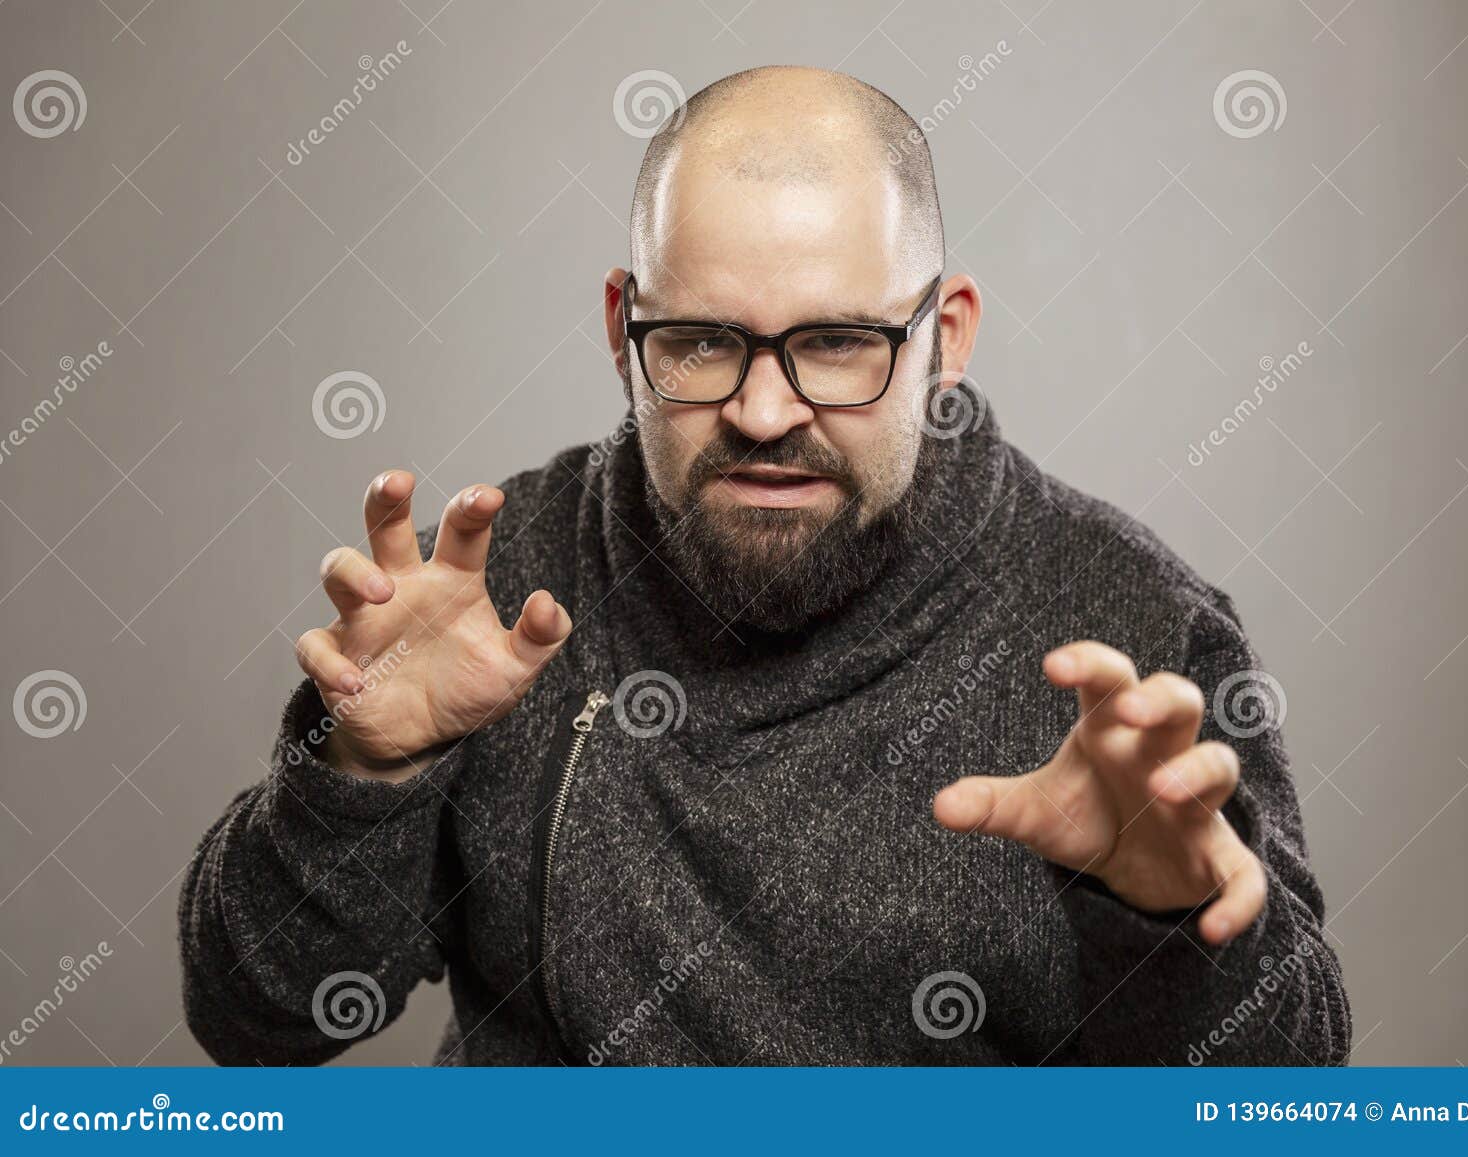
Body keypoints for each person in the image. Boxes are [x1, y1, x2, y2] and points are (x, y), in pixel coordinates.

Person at [180, 65, 1349, 1065]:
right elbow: (257, 1020)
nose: (762, 408)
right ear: (620, 328)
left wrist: (1169, 919)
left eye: (836, 343)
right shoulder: (501, 583)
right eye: (701, 340)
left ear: (945, 335)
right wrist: (363, 772)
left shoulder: (1125, 631)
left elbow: (1283, 1102)